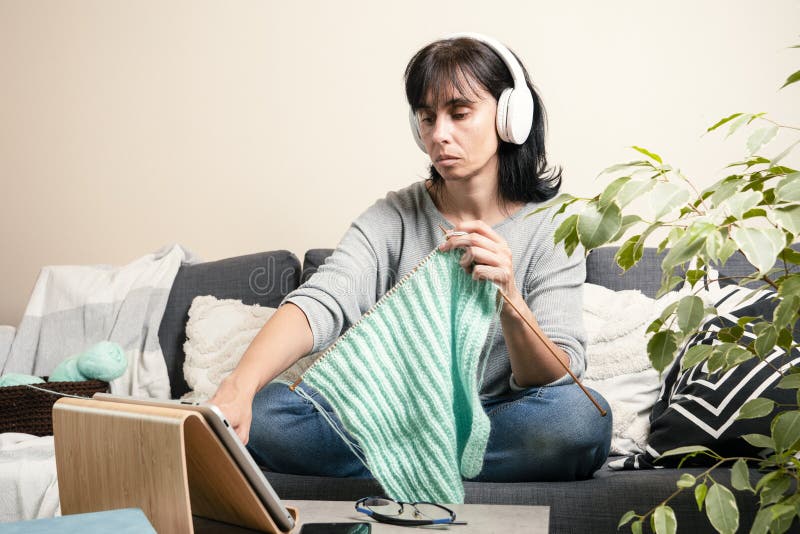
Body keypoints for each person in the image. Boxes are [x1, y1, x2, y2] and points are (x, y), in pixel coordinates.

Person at [211, 33, 612, 482]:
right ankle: (433, 459)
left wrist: (510, 301)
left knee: (581, 421)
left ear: (509, 117)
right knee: (268, 413)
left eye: (459, 114)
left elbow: (558, 373)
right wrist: (238, 387)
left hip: (502, 414)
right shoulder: (394, 215)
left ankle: (403, 463)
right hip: (392, 418)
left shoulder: (558, 226)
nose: (439, 135)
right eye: (427, 118)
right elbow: (325, 298)